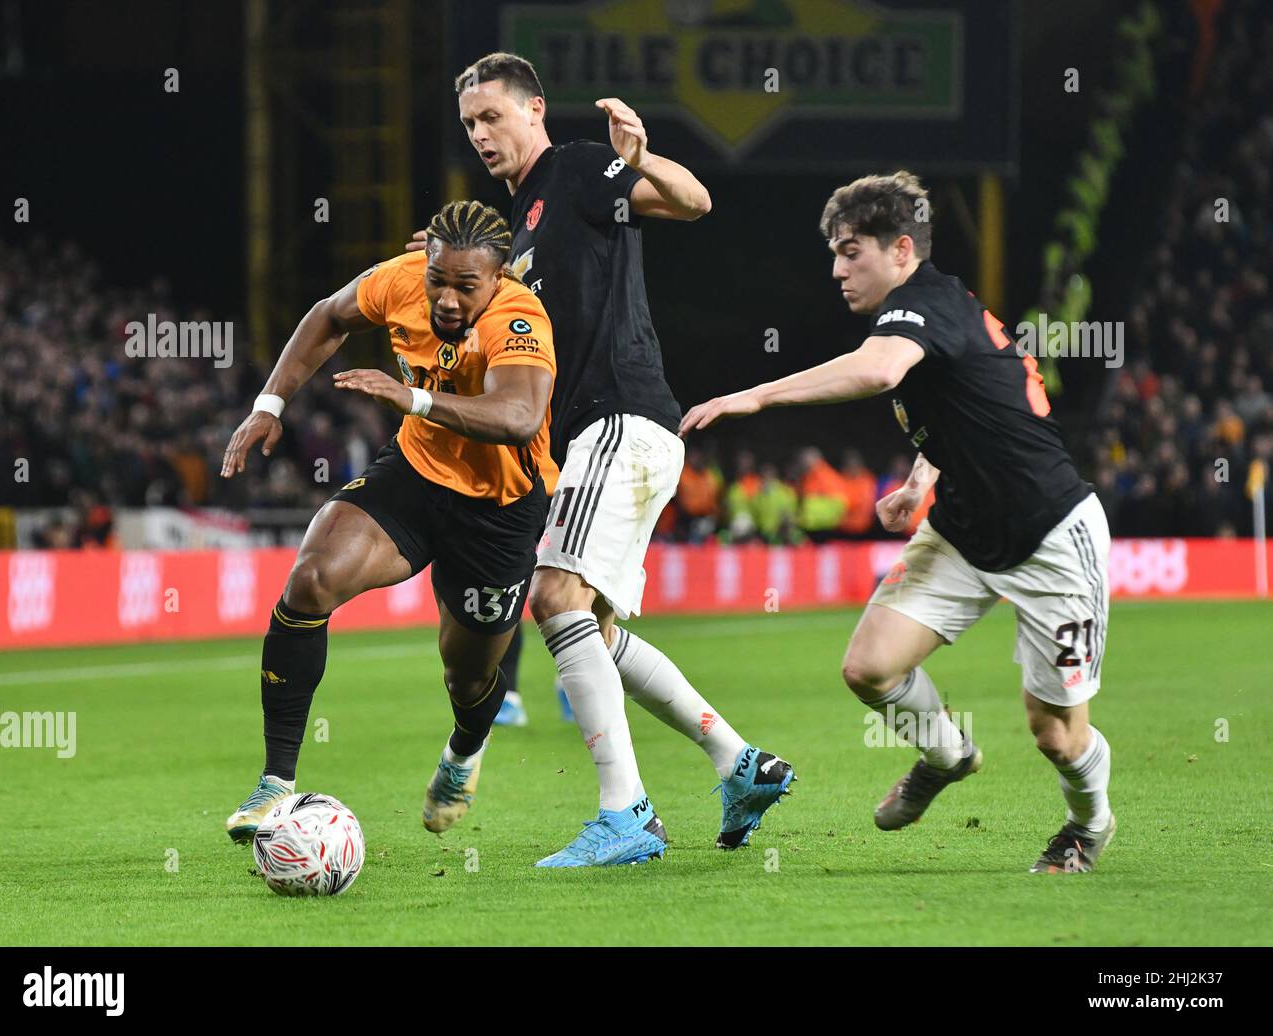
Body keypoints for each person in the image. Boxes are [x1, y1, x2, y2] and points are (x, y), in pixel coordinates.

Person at [681, 171, 1115, 874]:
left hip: (1050, 536)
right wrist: (922, 477)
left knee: (1056, 736)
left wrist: (754, 396)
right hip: (965, 529)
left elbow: (879, 372)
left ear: (902, 249)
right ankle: (947, 755)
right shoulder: (934, 312)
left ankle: (1087, 826)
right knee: (870, 668)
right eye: (834, 252)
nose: (837, 268)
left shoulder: (920, 309)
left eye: (852, 251)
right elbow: (976, 407)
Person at [447, 51, 794, 866]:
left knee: (554, 594)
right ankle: (738, 763)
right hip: (603, 439)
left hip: (620, 419)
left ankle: (625, 812)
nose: (481, 134)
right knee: (592, 628)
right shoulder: (518, 222)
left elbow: (695, 200)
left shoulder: (571, 170)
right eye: (469, 124)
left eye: (493, 116)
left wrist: (640, 158)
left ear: (534, 111)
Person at [219, 200, 556, 843]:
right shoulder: (399, 279)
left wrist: (416, 397)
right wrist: (270, 404)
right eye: (440, 281)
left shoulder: (520, 317)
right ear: (423, 264)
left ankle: (462, 751)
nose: (450, 300)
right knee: (311, 579)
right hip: (415, 472)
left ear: (499, 278)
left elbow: (519, 415)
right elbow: (328, 316)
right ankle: (275, 786)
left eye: (468, 286)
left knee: (468, 675)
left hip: (499, 507)